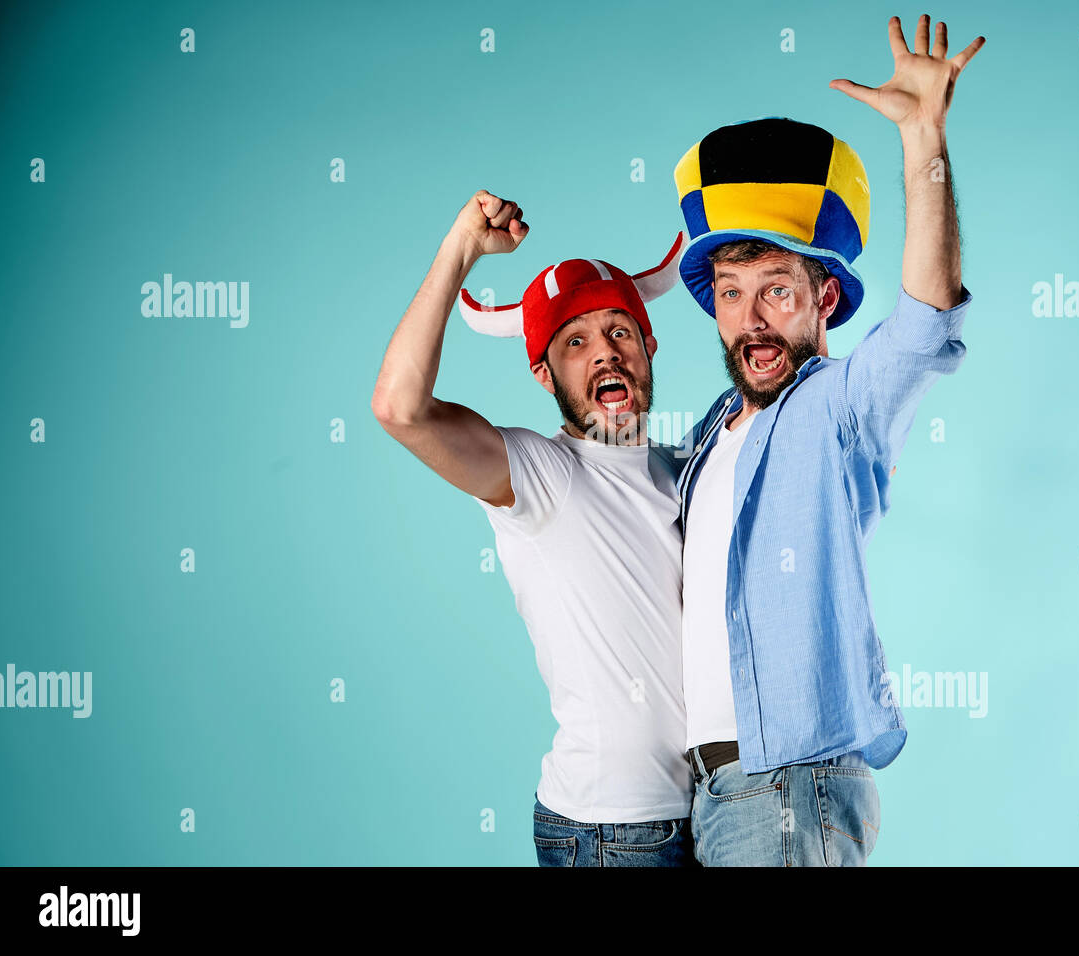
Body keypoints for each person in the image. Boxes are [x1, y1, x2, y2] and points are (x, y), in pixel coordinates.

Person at [672, 14, 985, 866]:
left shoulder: (838, 407)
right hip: (705, 796)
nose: (751, 318)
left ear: (826, 302)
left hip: (788, 787)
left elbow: (924, 325)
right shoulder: (709, 436)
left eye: (777, 288)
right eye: (731, 293)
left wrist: (926, 137)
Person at [371, 189, 696, 866]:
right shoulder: (540, 474)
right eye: (574, 342)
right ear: (544, 373)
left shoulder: (684, 469)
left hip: (707, 816)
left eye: (619, 332)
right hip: (612, 834)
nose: (604, 353)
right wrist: (461, 249)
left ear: (649, 345)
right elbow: (401, 409)